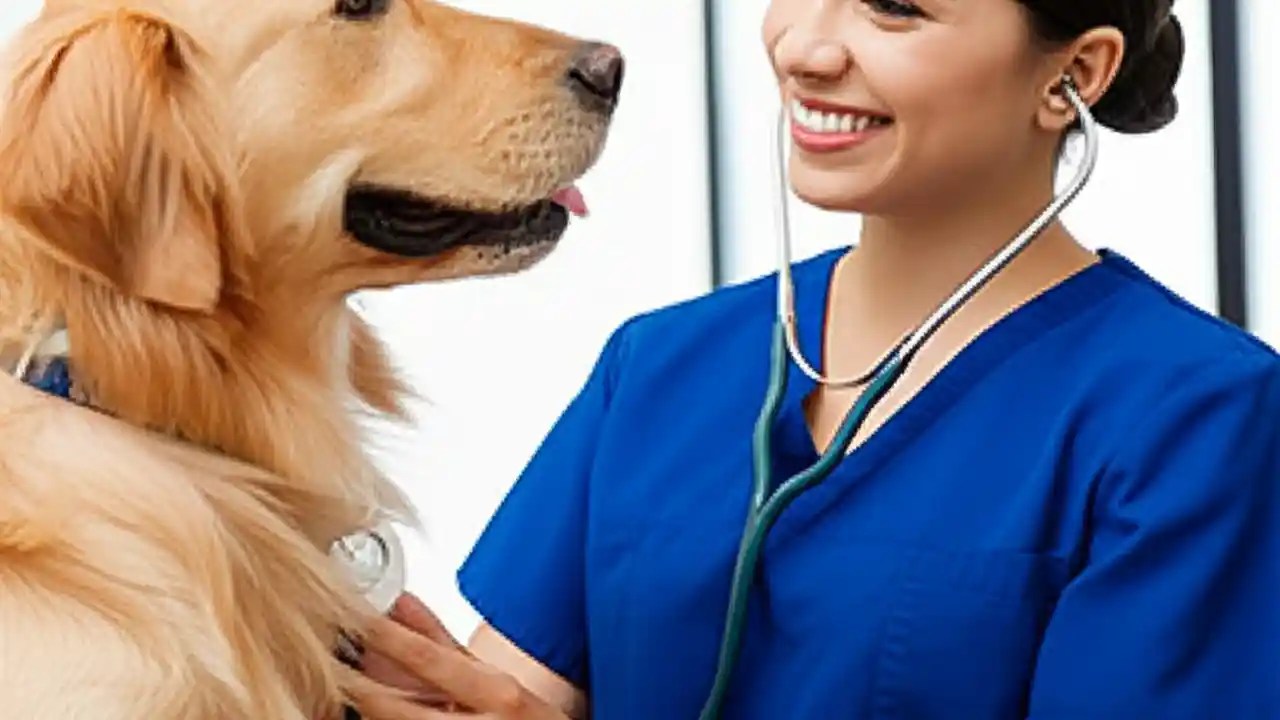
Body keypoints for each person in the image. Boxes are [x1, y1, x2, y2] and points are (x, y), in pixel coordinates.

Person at [350, 0, 1280, 718]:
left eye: (894, 6)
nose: (805, 48)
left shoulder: (1194, 417)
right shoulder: (662, 369)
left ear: (1072, 73)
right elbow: (507, 693)